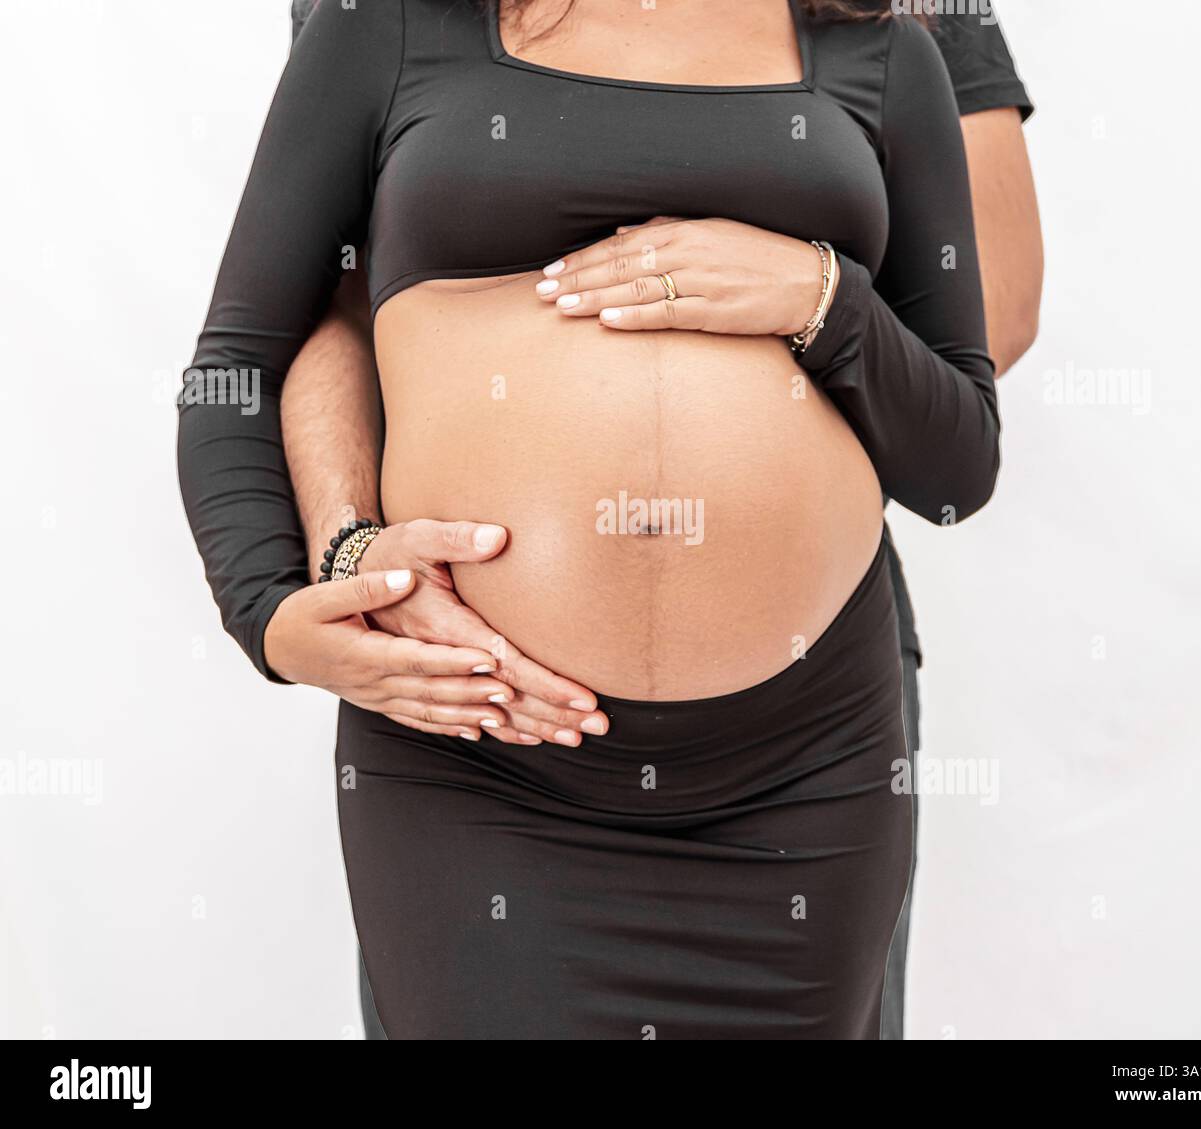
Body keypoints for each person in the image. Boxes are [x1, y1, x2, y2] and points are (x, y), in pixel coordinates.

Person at [179, 0, 1041, 1038]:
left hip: (805, 761)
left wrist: (823, 296)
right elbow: (246, 357)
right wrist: (282, 601)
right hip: (483, 746)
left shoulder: (882, 45)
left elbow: (956, 466)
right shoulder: (388, 26)